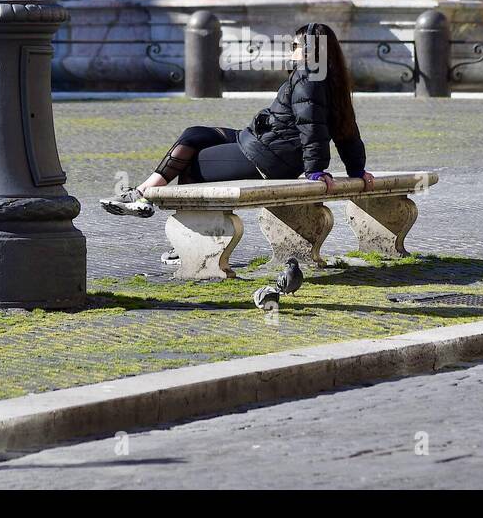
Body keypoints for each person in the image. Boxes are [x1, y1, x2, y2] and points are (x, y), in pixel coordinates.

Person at [101, 22, 375, 306]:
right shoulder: (331, 78)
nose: (291, 51)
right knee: (195, 133)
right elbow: (347, 130)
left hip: (266, 157)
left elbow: (312, 126)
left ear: (309, 50)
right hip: (260, 143)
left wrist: (316, 169)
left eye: (295, 46)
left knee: (191, 162)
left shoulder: (308, 78)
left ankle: (185, 238)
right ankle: (142, 195)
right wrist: (357, 169)